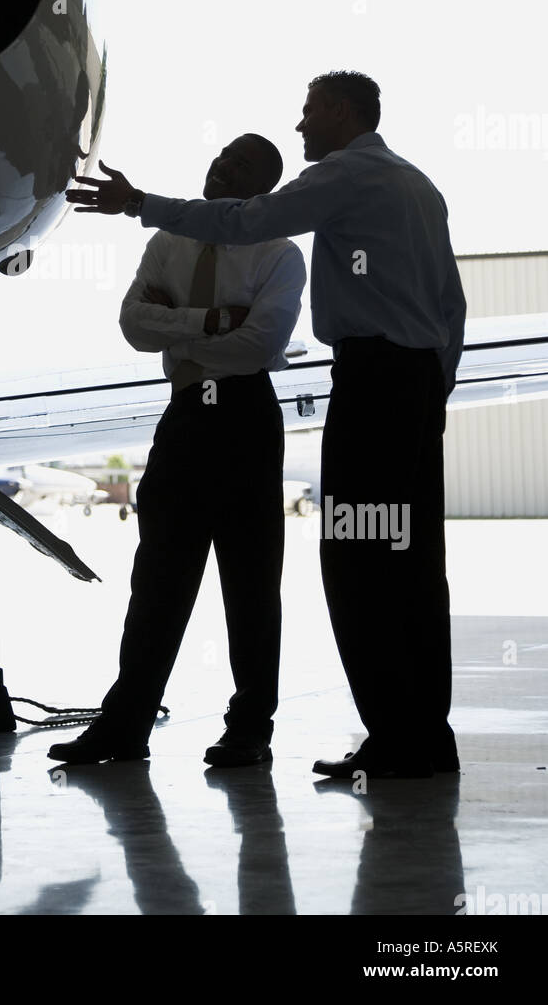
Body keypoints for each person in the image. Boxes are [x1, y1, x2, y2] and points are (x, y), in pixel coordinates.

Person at [66, 72, 467, 780]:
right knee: (411, 567)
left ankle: (393, 739)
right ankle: (422, 737)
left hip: (372, 391)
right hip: (410, 391)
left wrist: (138, 204)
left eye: (310, 112)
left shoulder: (346, 177)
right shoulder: (419, 187)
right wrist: (433, 392)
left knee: (355, 562)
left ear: (343, 113)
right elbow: (451, 304)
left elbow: (247, 222)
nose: (301, 124)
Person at [49, 133, 306, 767]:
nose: (222, 167)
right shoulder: (168, 241)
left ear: (265, 188)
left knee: (250, 584)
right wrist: (210, 322)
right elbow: (134, 327)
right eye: (222, 156)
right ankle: (125, 725)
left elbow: (259, 345)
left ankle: (250, 730)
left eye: (241, 165)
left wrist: (184, 334)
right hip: (187, 416)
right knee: (157, 580)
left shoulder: (280, 253)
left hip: (245, 416)